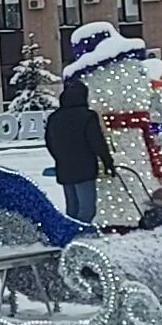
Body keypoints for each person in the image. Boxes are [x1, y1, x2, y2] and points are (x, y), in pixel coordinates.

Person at [44, 78, 116, 225]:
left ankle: (70, 232)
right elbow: (97, 142)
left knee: (72, 208)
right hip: (85, 167)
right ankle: (81, 234)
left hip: (64, 167)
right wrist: (107, 161)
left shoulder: (54, 118)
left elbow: (49, 142)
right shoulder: (88, 116)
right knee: (87, 209)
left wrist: (60, 158)